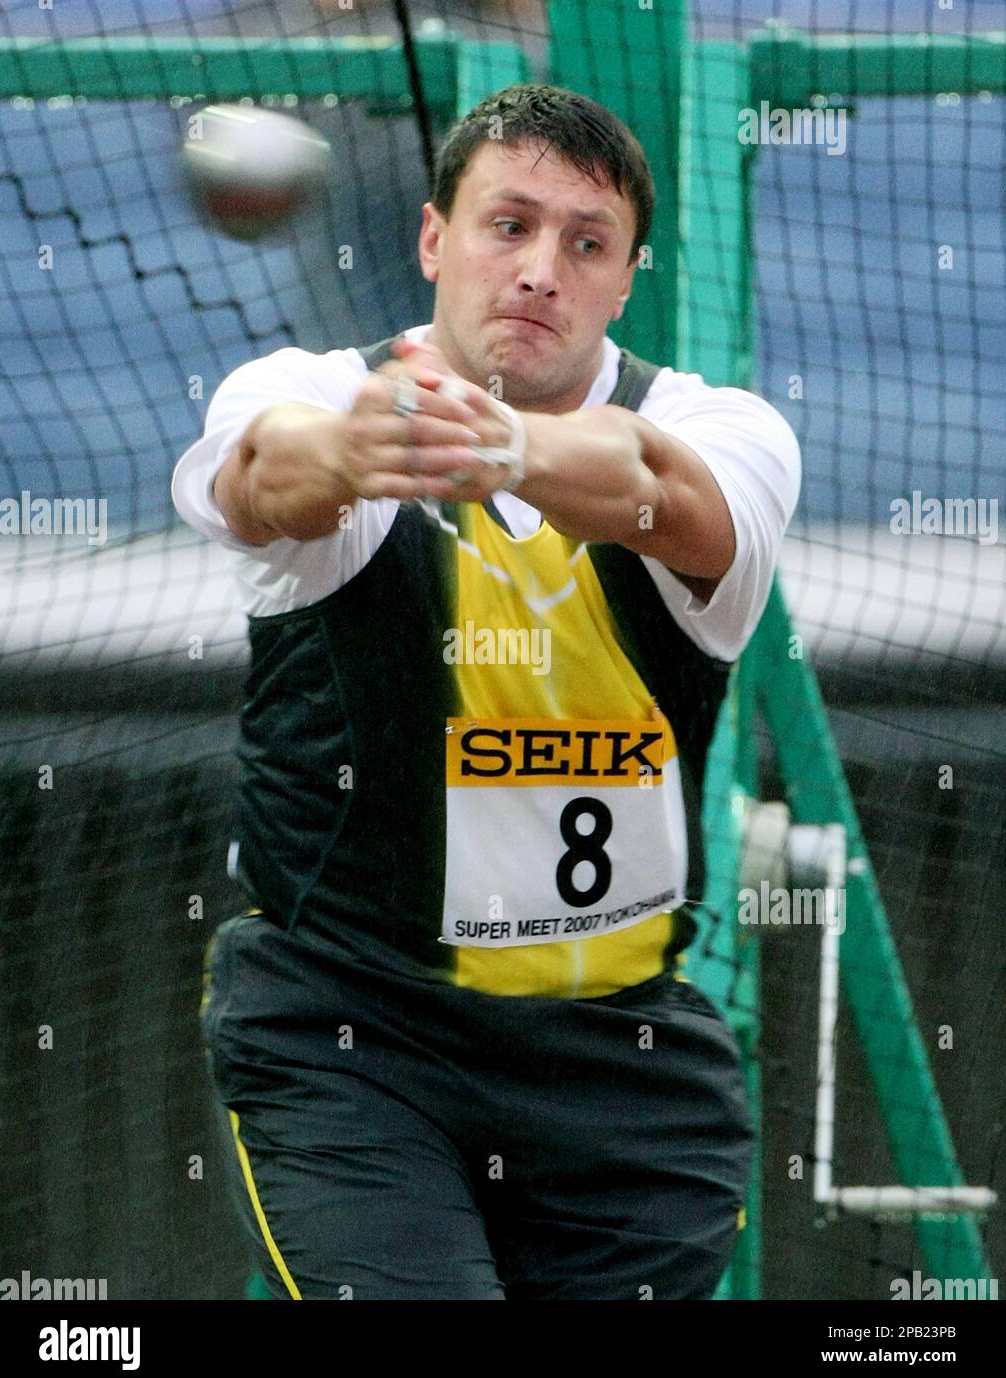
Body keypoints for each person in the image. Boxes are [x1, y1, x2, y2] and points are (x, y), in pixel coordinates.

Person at [173, 83, 800, 1300]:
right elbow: (263, 471)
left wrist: (506, 449)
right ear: (431, 239)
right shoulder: (307, 392)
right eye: (507, 225)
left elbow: (658, 490)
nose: (539, 270)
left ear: (625, 280)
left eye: (585, 242)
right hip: (356, 1037)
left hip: (623, 1063)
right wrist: (352, 450)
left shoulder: (728, 430)